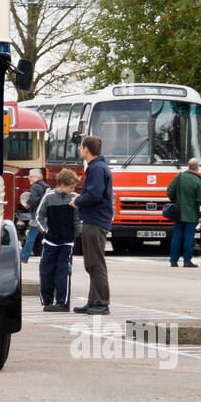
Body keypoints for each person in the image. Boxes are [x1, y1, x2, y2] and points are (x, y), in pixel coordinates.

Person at [71, 135, 114, 315]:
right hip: (94, 220)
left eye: (81, 147)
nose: (80, 150)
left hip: (95, 220)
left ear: (86, 149)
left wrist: (77, 201)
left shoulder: (96, 169)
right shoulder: (97, 167)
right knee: (91, 263)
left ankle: (102, 303)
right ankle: (93, 301)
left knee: (96, 264)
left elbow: (94, 194)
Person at [37, 168, 81, 312]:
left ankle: (63, 303)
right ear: (62, 184)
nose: (73, 189)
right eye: (71, 186)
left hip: (67, 243)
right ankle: (47, 301)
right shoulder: (48, 197)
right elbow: (39, 216)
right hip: (50, 242)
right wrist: (45, 229)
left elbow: (77, 219)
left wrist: (78, 232)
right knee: (46, 271)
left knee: (63, 272)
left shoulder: (74, 197)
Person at [167, 157, 201, 267]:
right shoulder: (198, 181)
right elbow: (200, 201)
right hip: (192, 215)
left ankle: (173, 261)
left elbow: (170, 191)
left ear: (188, 166)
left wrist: (176, 201)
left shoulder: (179, 177)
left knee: (176, 237)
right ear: (197, 168)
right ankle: (187, 261)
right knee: (189, 237)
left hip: (178, 213)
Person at [18, 168, 47, 262]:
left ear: (37, 177)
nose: (29, 178)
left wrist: (27, 205)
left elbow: (33, 198)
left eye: (30, 176)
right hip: (47, 216)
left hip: (37, 216)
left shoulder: (35, 186)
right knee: (48, 238)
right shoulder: (47, 186)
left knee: (31, 237)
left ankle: (24, 257)